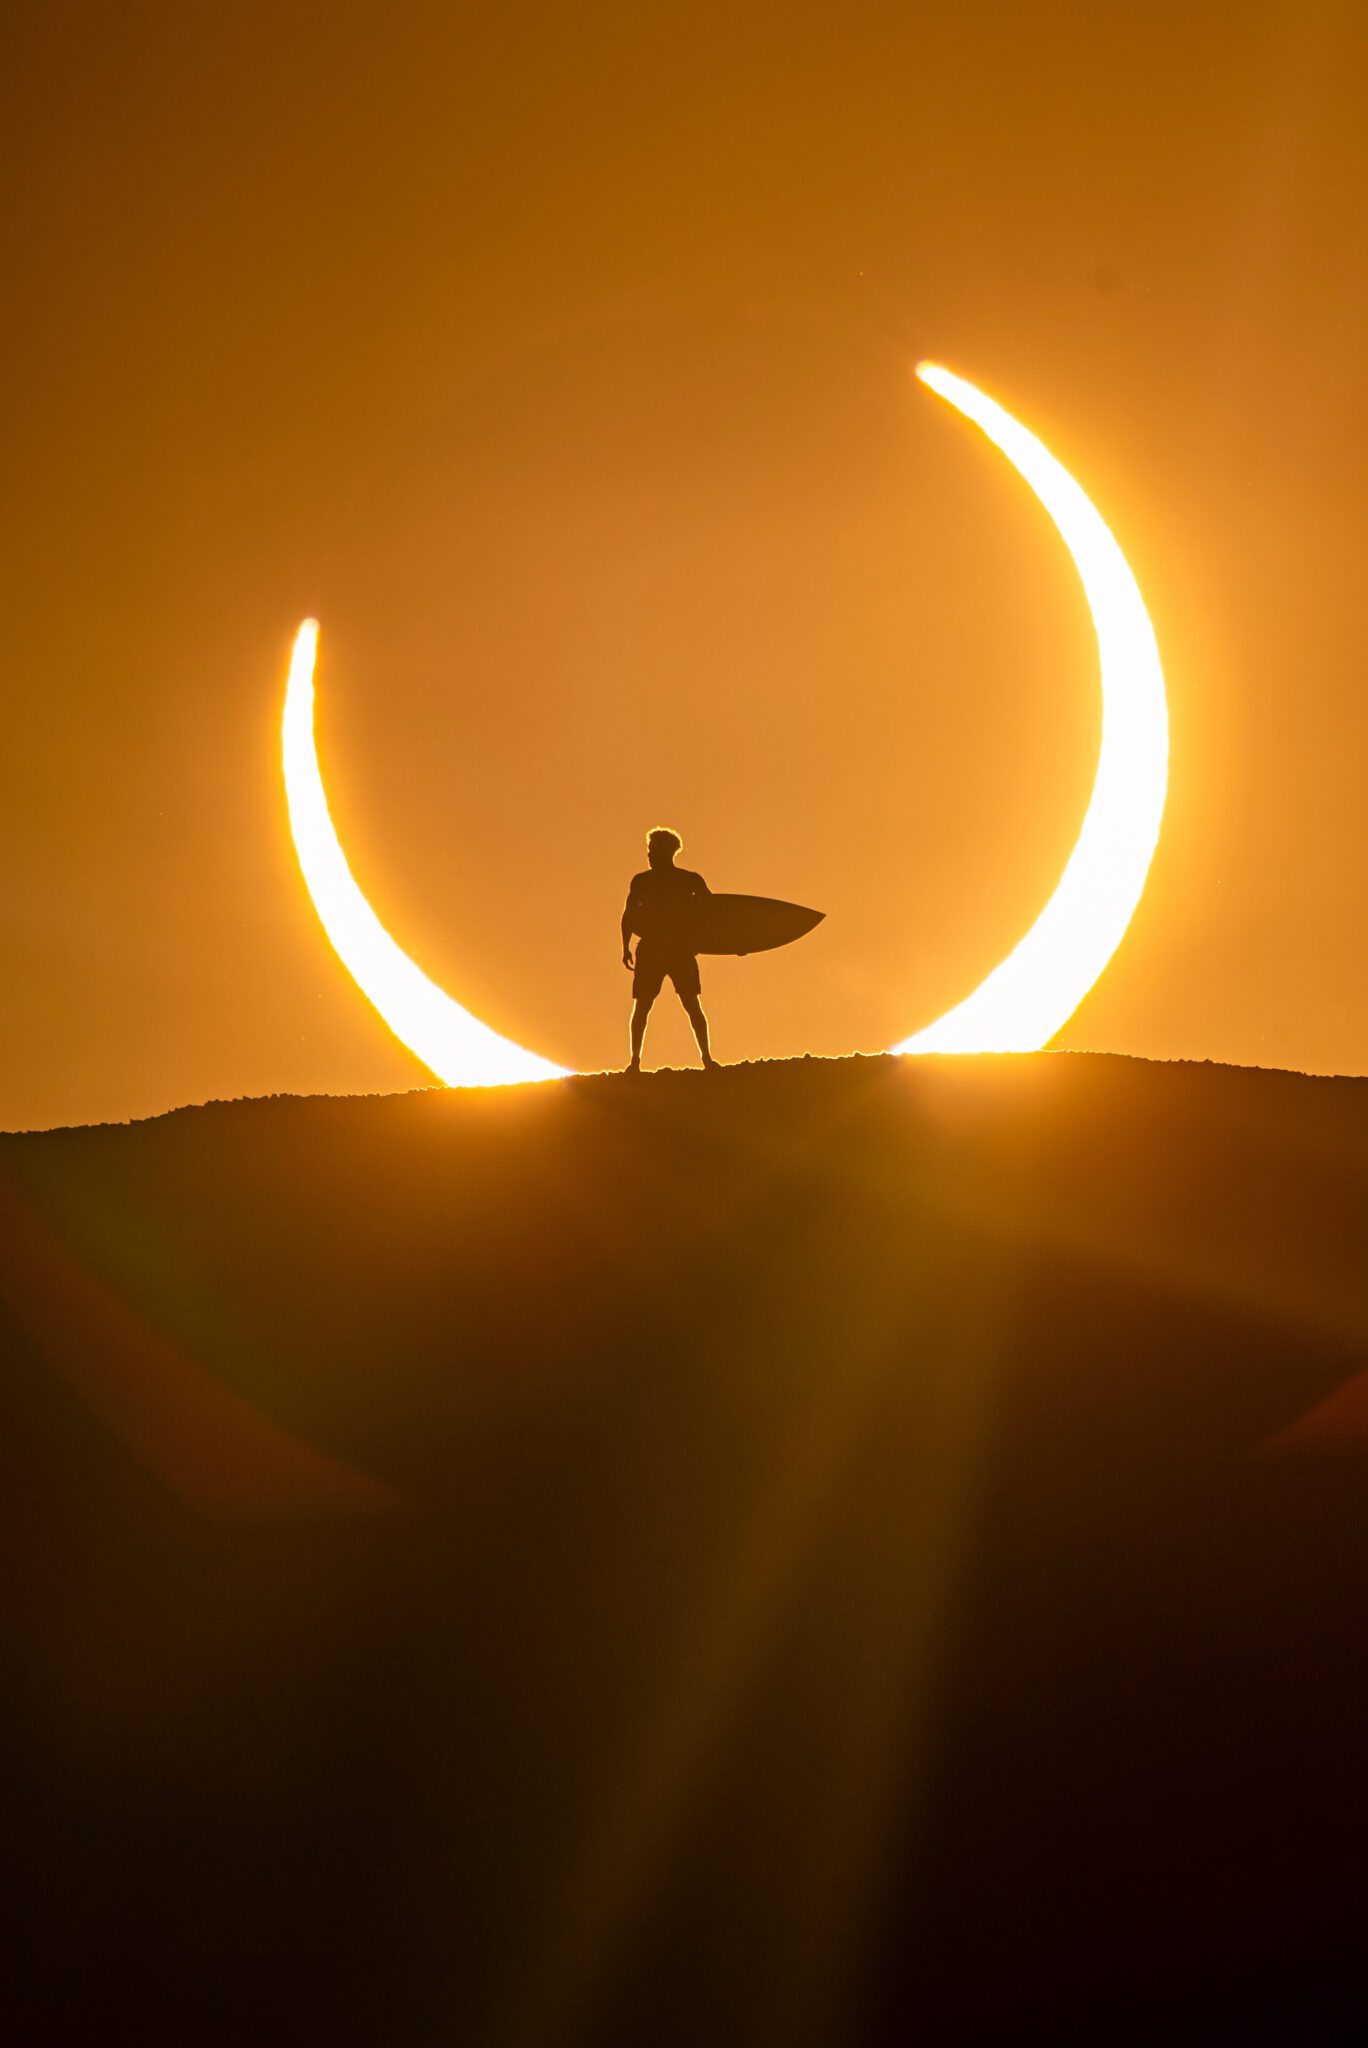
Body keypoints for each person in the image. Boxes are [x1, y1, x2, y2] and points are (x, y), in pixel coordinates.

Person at [621, 828, 716, 1073]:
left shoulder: (690, 881)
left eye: (653, 851)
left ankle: (707, 1059)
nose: (649, 855)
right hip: (653, 949)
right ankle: (635, 1061)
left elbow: (714, 914)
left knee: (691, 1004)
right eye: (649, 851)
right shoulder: (642, 881)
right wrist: (625, 947)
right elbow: (628, 915)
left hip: (679, 949)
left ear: (666, 852)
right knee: (642, 1007)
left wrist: (734, 943)